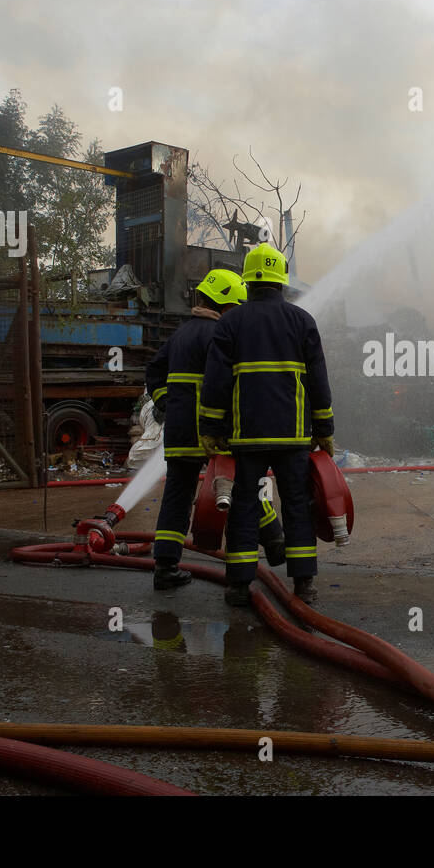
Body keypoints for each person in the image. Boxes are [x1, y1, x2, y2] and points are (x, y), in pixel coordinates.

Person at [199, 243, 334, 606]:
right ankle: (304, 584)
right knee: (296, 506)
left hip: (247, 436)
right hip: (294, 437)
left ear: (248, 280)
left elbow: (216, 382)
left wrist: (210, 429)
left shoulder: (229, 323)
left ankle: (239, 586)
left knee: (244, 506)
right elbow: (318, 381)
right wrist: (325, 429)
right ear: (281, 282)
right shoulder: (303, 321)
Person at [144, 268, 285, 590]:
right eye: (236, 307)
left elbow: (154, 370)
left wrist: (166, 400)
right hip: (214, 428)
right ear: (225, 304)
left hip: (180, 430)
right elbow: (230, 383)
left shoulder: (181, 334)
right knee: (241, 485)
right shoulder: (220, 335)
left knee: (177, 495)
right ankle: (274, 538)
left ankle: (165, 567)